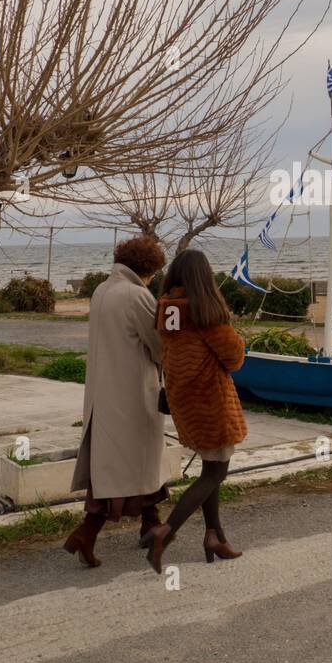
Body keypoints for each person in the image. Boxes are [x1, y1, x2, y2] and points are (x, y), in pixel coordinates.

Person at [64, 235, 169, 567]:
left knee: (120, 466)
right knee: (138, 462)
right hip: (133, 393)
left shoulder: (101, 291)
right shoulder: (137, 295)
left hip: (104, 394)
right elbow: (159, 345)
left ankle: (150, 523)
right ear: (147, 268)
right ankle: (89, 531)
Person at [144, 247, 248, 571]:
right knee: (216, 473)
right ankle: (166, 532)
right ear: (204, 278)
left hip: (185, 401)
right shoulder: (206, 312)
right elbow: (234, 359)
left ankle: (215, 537)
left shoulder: (167, 310)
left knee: (208, 468)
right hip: (211, 402)